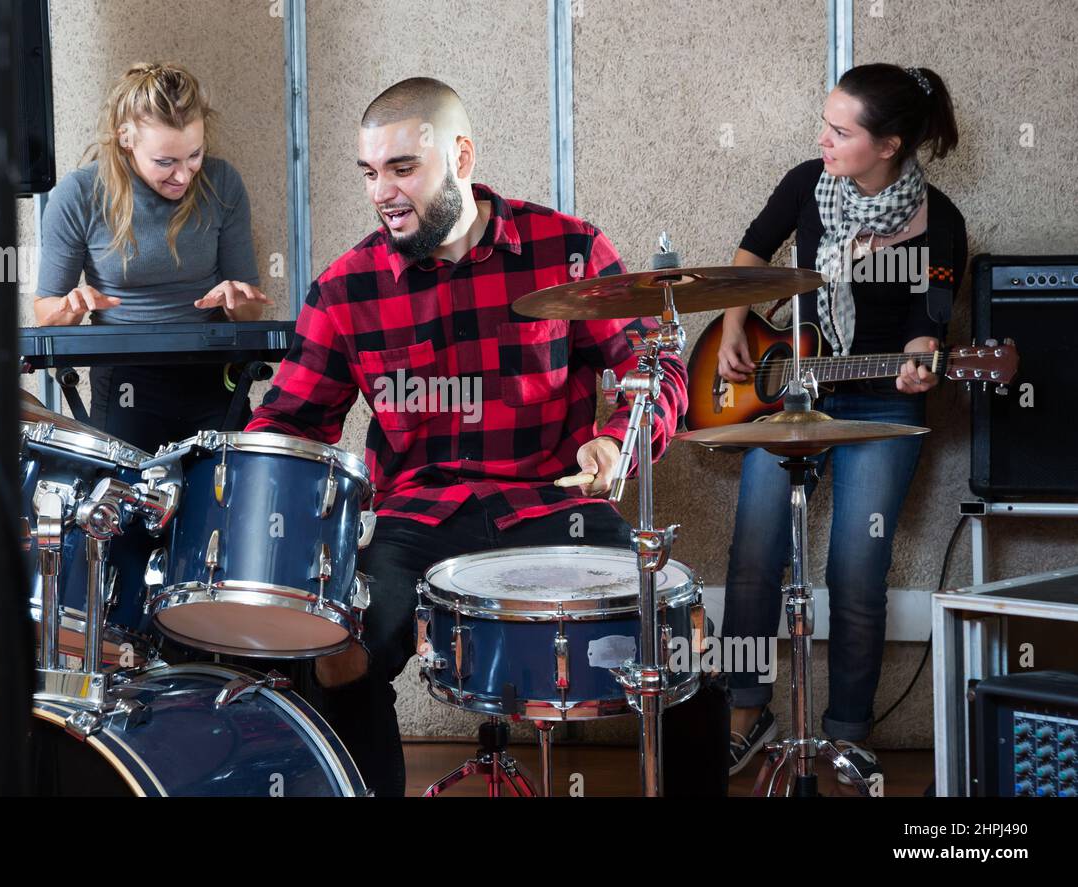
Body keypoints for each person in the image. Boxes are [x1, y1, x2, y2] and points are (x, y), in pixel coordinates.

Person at [246, 77, 688, 796]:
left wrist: (617, 441)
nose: (381, 191)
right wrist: (232, 474)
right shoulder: (345, 288)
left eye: (401, 168)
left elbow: (656, 366)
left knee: (671, 627)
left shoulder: (568, 249)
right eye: (368, 172)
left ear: (462, 155)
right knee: (338, 646)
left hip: (554, 504)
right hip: (415, 515)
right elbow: (290, 421)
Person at [718, 64, 967, 785]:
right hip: (795, 391)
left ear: (888, 145)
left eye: (840, 131)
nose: (821, 139)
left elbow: (928, 330)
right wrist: (733, 321)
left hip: (885, 400)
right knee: (754, 550)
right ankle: (745, 709)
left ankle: (848, 733)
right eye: (824, 123)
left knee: (857, 567)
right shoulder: (807, 186)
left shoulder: (939, 221)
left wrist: (924, 361)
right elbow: (751, 249)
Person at [34, 62, 269, 453]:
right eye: (166, 162)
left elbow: (250, 315)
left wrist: (239, 302)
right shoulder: (78, 195)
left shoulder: (223, 182)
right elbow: (46, 313)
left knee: (223, 504)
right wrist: (70, 308)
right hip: (126, 379)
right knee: (125, 505)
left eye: (194, 155)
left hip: (212, 374)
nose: (183, 176)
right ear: (125, 138)